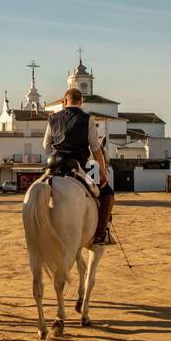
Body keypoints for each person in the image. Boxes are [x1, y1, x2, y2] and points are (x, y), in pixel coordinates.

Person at [42, 87, 115, 245]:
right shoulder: (87, 119)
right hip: (83, 164)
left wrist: (57, 151)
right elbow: (96, 149)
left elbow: (46, 146)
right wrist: (102, 172)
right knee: (108, 193)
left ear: (65, 101)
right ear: (81, 102)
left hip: (56, 164)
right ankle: (101, 234)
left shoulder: (52, 118)